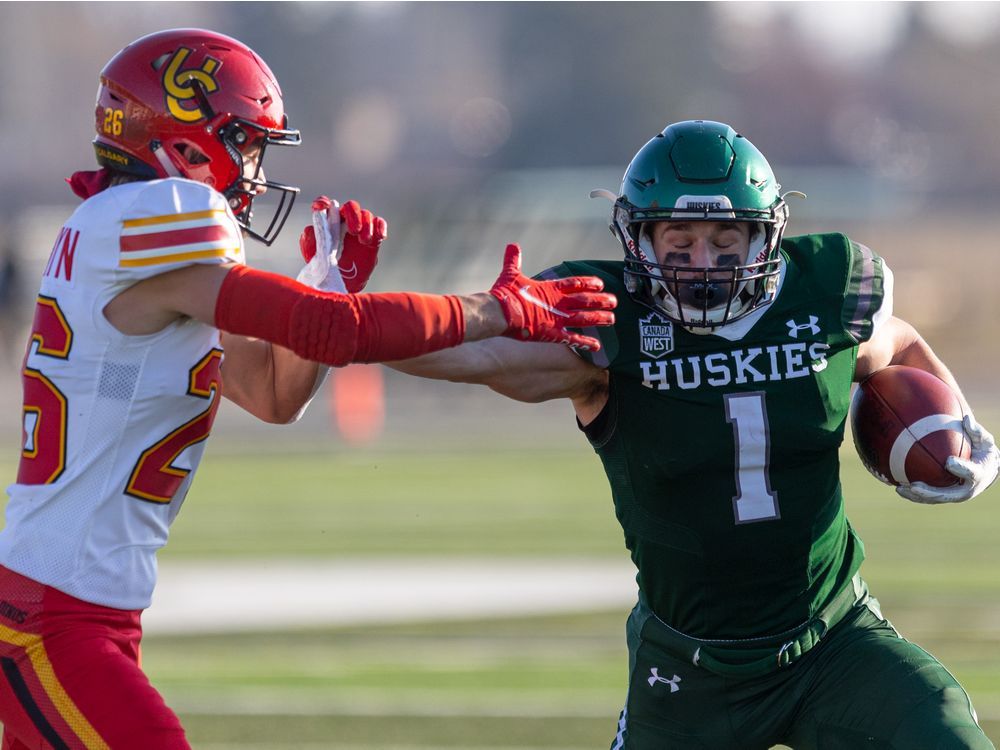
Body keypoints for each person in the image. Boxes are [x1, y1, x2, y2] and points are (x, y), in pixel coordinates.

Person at [0, 28, 616, 750]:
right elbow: (331, 332)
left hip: (81, 610)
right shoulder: (156, 218)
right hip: (50, 615)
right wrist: (498, 309)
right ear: (185, 143)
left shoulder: (125, 238)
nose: (255, 172)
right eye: (246, 143)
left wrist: (328, 284)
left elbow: (271, 395)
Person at [395, 120, 1000, 749]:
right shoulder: (606, 322)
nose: (703, 265)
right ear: (641, 241)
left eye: (725, 240)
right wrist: (352, 325)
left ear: (764, 236)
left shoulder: (819, 295)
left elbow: (892, 340)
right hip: (690, 669)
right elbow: (474, 354)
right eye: (679, 242)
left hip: (833, 641)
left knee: (943, 728)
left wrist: (955, 422)